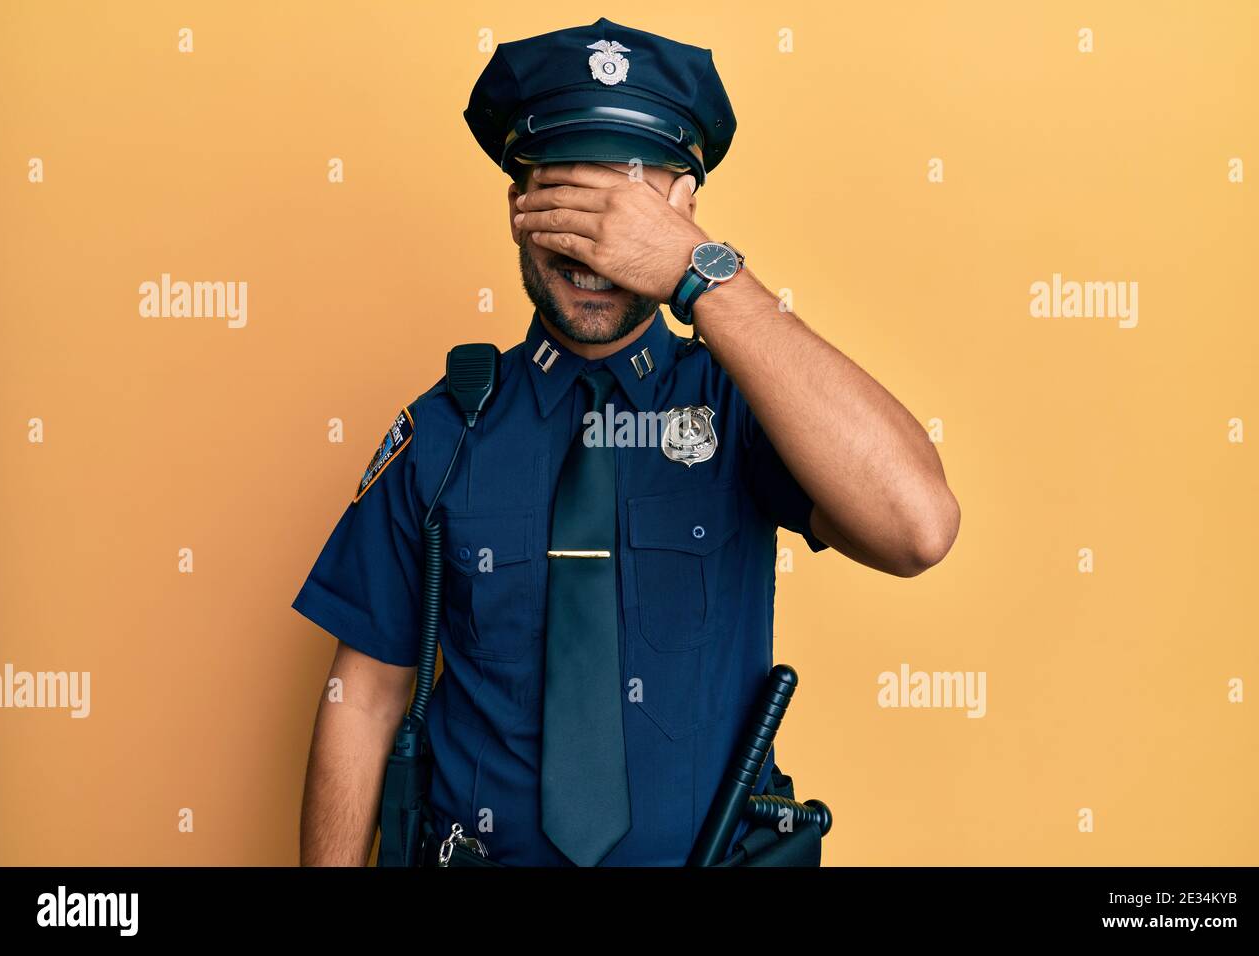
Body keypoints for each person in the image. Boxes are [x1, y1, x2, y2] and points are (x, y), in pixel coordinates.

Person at [294, 17, 960, 867]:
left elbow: (919, 527)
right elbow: (365, 696)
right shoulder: (442, 431)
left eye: (628, 211)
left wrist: (703, 270)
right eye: (571, 206)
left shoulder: (748, 406)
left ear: (683, 213)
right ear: (515, 208)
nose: (597, 250)